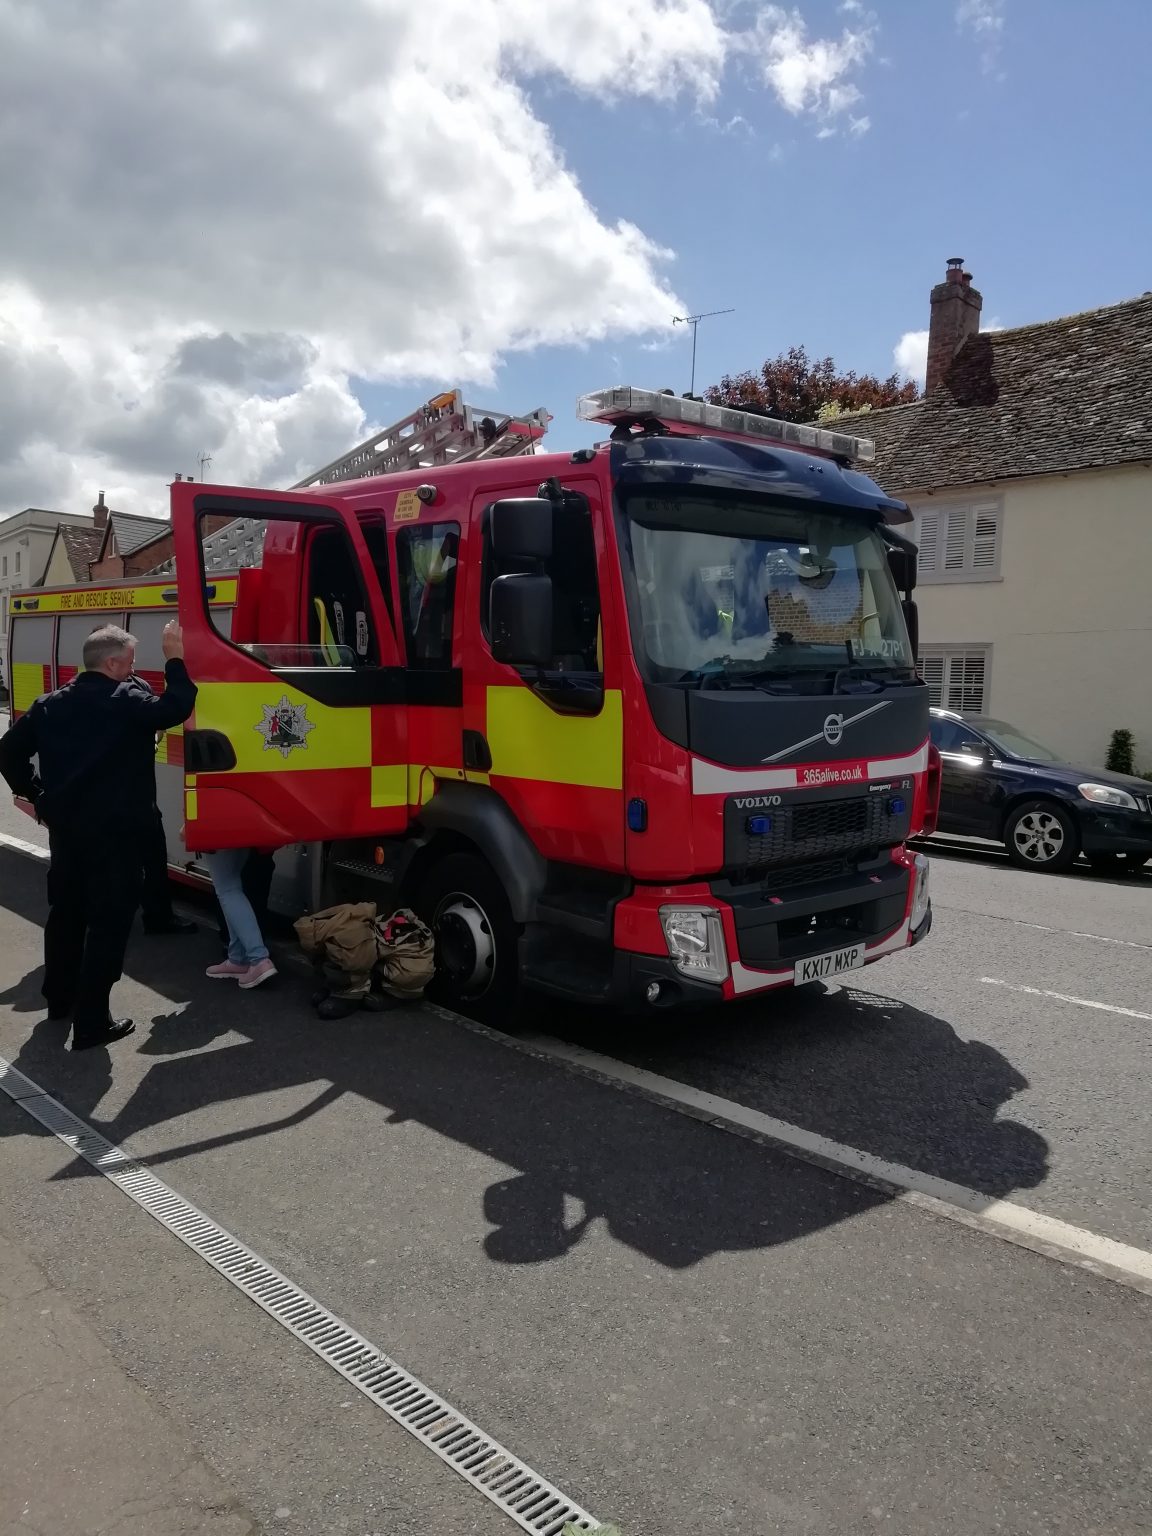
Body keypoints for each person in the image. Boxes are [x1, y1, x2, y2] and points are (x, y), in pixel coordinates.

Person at [0, 621, 196, 1050]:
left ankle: (59, 1000)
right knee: (108, 924)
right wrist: (176, 656)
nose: (131, 670)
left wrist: (35, 795)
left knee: (66, 914)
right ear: (111, 663)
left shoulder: (50, 704)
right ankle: (91, 1023)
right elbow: (177, 706)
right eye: (127, 663)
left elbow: (8, 751)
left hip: (68, 832)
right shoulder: (125, 700)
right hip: (118, 835)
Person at [203, 845, 277, 988]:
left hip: (217, 829)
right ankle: (238, 958)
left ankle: (259, 959)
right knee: (233, 884)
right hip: (242, 827)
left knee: (227, 889)